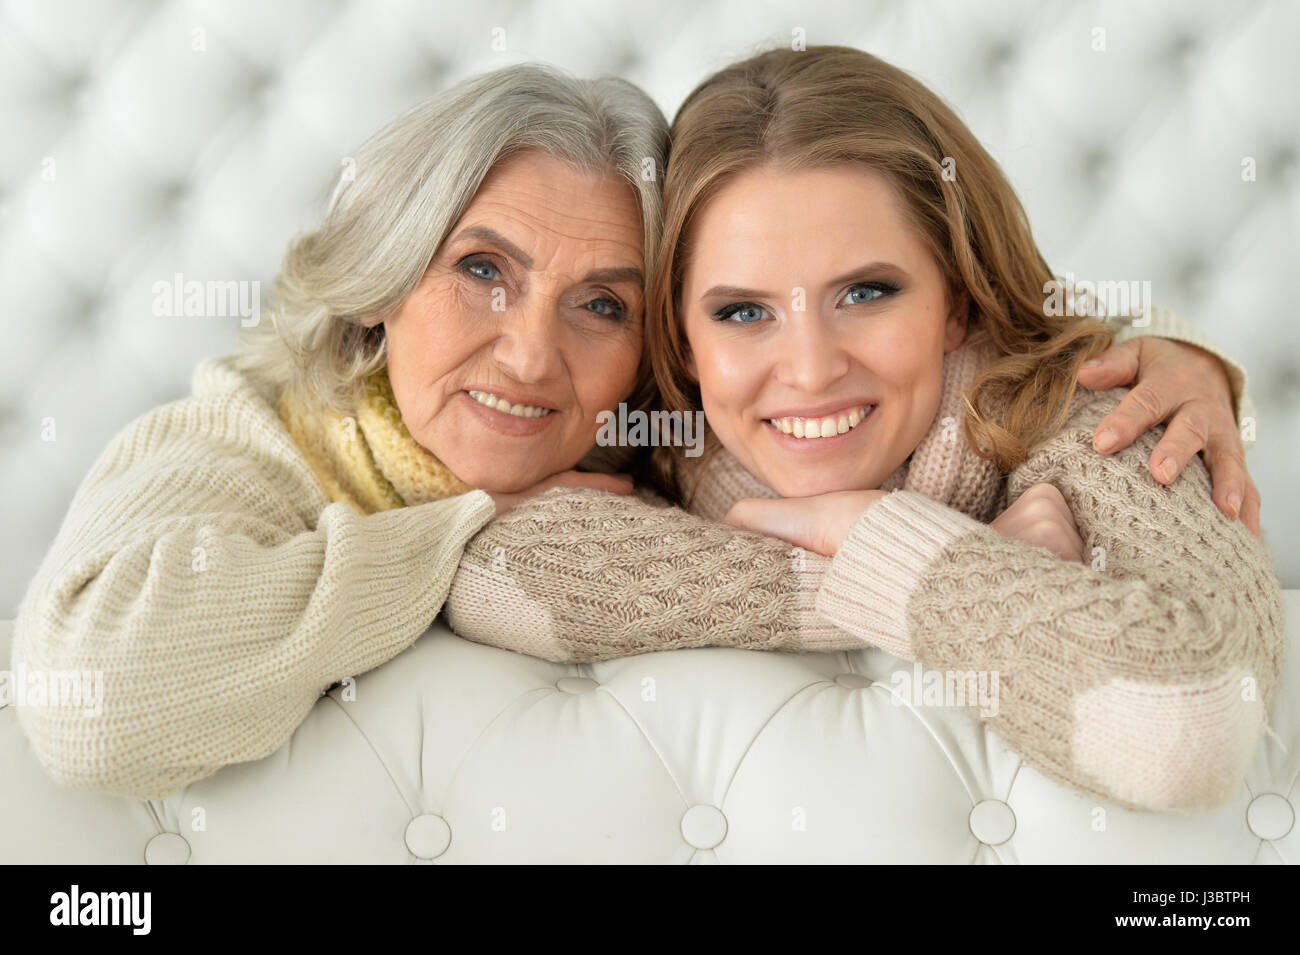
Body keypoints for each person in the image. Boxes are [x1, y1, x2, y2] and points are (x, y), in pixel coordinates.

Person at [11, 59, 1262, 803]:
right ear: (381, 287)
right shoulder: (250, 438)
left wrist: (1186, 363)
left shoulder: (660, 442)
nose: (532, 355)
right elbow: (100, 704)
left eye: (600, 303)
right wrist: (453, 538)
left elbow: (1180, 712)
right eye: (480, 272)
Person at [443, 47, 1284, 814]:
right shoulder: (663, 433)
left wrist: (873, 534)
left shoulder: (1104, 414)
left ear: (956, 299)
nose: (809, 369)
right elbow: (493, 568)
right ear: (683, 340)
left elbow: (1188, 728)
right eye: (742, 311)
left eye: (866, 293)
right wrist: (939, 552)